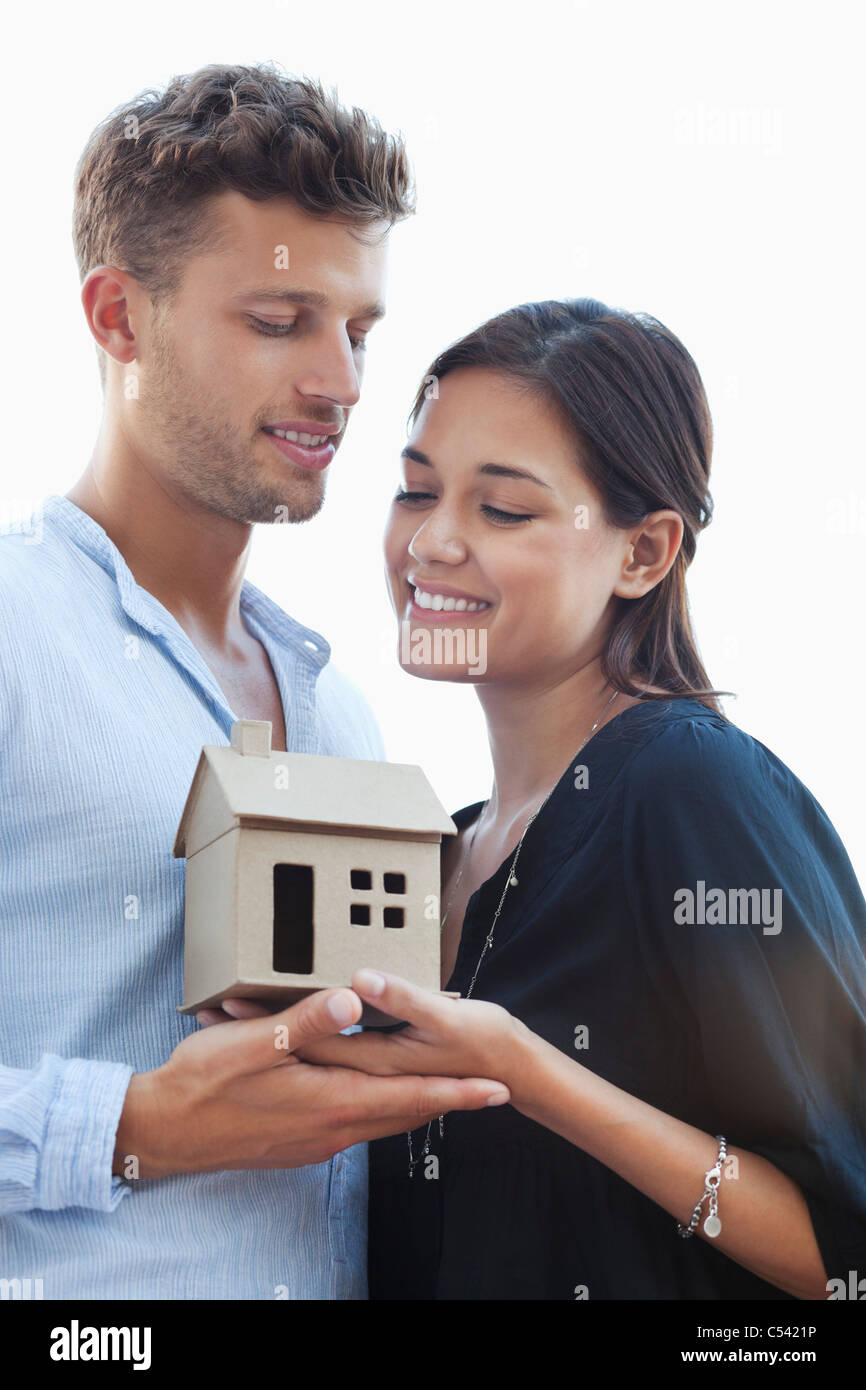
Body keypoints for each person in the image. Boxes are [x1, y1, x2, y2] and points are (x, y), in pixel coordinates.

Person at [0, 62, 509, 1302]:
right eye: (279, 323)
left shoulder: (339, 709)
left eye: (358, 331)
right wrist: (137, 1121)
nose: (338, 383)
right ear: (119, 317)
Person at [294, 298, 866, 1300]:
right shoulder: (440, 848)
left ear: (642, 552)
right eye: (413, 491)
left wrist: (530, 1072)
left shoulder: (692, 790)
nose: (430, 543)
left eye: (502, 508)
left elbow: (844, 1256)